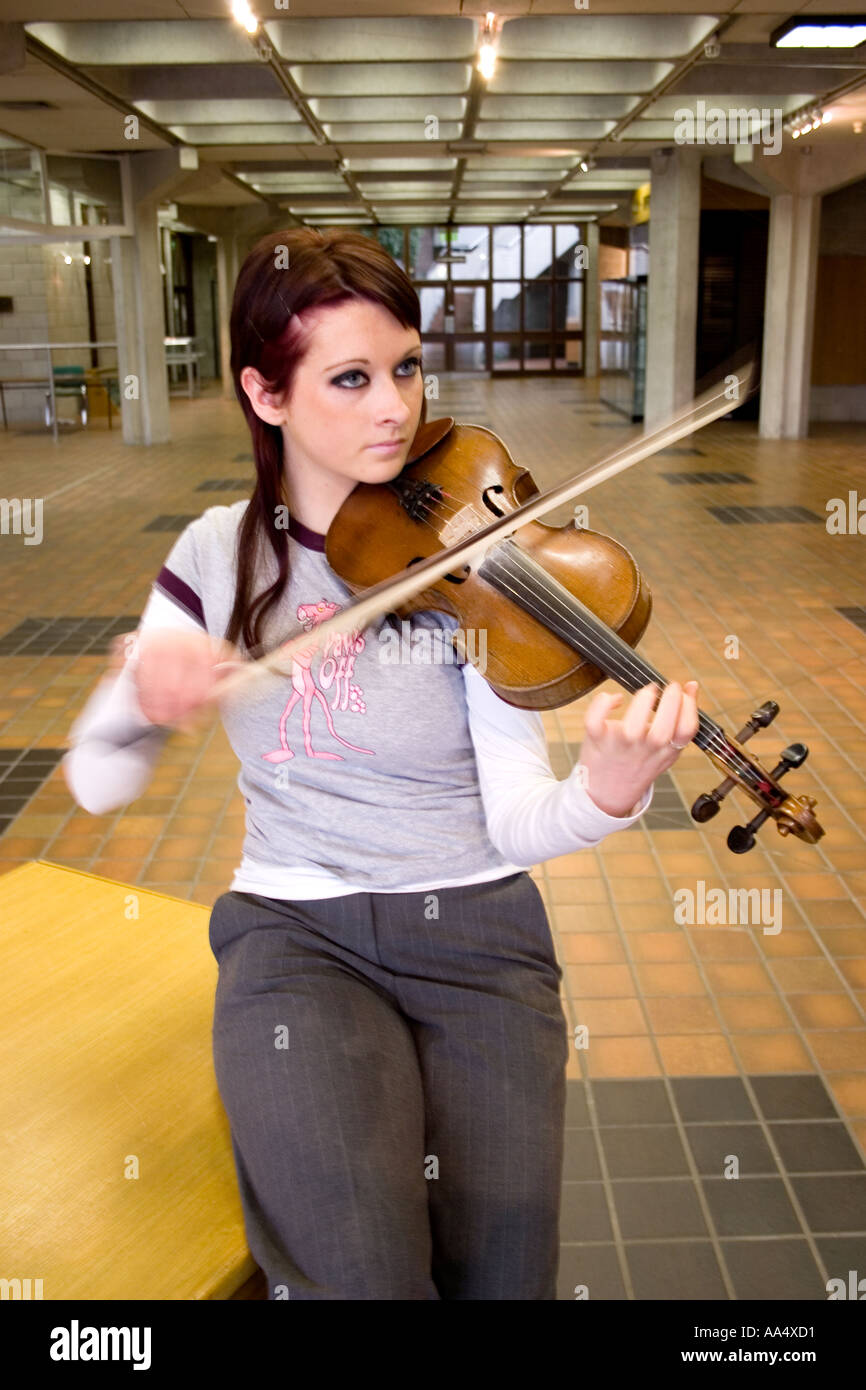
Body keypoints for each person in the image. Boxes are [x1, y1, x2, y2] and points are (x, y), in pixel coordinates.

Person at [63, 227, 699, 1301]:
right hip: (295, 932)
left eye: (404, 367)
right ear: (265, 393)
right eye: (349, 378)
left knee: (504, 1276)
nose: (394, 408)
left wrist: (605, 792)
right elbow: (92, 780)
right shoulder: (216, 557)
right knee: (358, 1275)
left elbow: (513, 825)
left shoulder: (473, 557)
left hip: (479, 933)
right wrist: (142, 694)